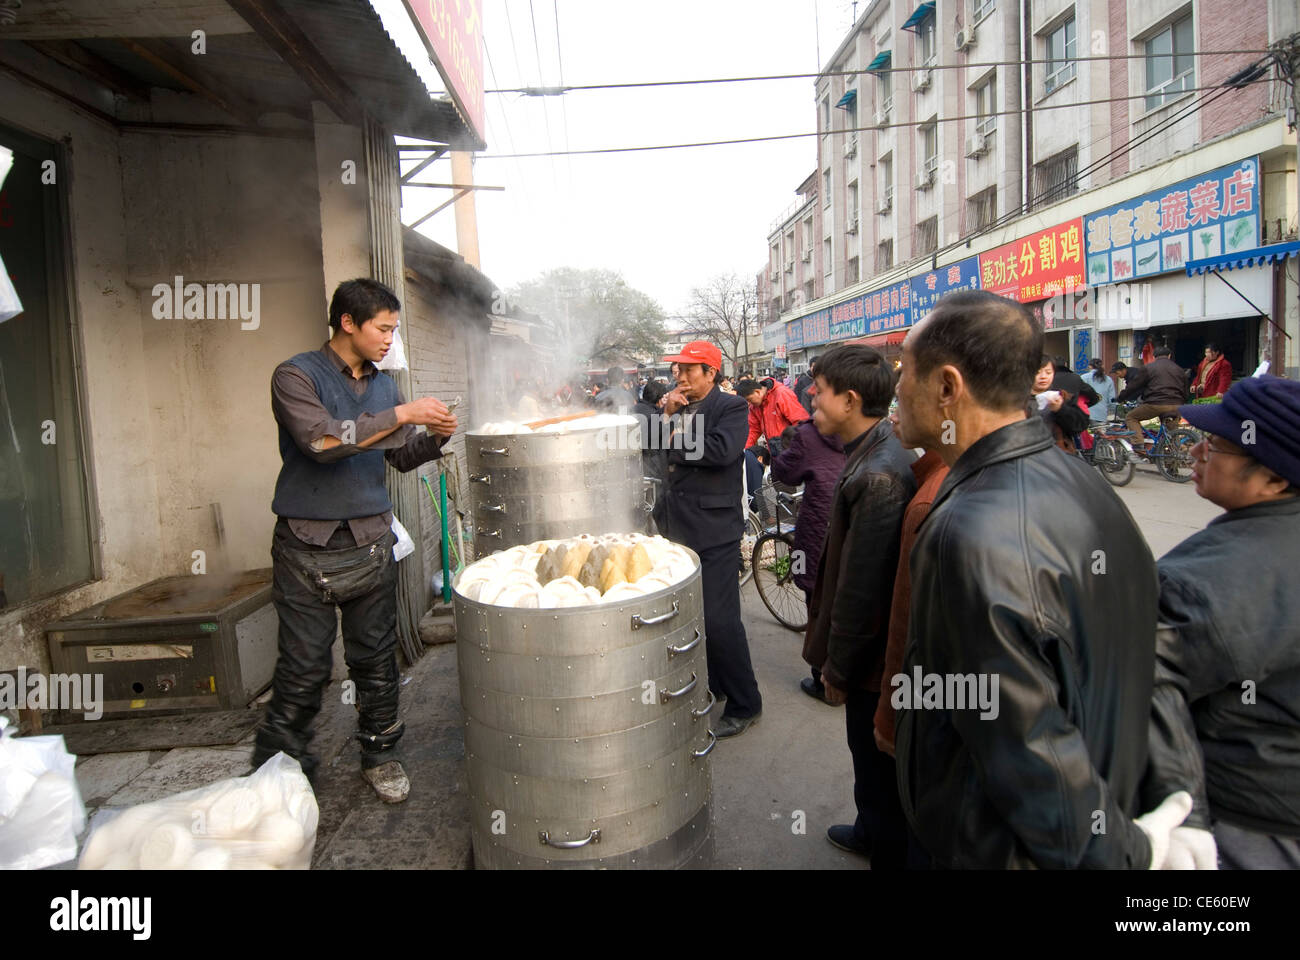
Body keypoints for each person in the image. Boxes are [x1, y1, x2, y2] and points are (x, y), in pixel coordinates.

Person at [893, 290, 1194, 868]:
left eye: (906, 372)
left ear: (947, 387)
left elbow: (1029, 751)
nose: (897, 390)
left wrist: (1128, 857)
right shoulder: (1082, 481)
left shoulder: (966, 532)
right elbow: (1155, 659)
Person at [254, 278, 458, 803]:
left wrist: (436, 440)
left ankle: (381, 753)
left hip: (371, 540)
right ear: (348, 322)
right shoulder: (296, 375)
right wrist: (405, 414)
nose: (390, 338)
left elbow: (395, 456)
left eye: (393, 329)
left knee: (375, 657)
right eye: (383, 328)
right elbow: (323, 441)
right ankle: (278, 767)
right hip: (306, 546)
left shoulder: (386, 386)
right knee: (304, 665)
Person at [1143, 375, 1300, 869]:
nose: (1195, 454)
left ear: (1274, 477)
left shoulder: (1208, 583)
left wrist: (1182, 818)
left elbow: (1134, 681)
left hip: (1248, 826)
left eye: (1214, 446)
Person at [800, 345, 916, 864]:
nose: (810, 397)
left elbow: (862, 593)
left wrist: (837, 671)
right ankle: (872, 828)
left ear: (849, 401)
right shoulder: (872, 450)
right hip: (869, 662)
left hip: (870, 669)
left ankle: (881, 839)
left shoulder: (880, 476)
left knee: (876, 769)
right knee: (869, 769)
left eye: (818, 391)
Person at [659, 341, 763, 738]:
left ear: (711, 373)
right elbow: (652, 446)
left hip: (716, 529)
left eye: (690, 370)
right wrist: (666, 417)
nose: (681, 377)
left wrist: (671, 435)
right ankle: (716, 684)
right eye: (678, 370)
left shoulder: (731, 407)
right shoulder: (675, 407)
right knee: (694, 615)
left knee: (720, 620)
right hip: (677, 525)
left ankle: (745, 702)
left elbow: (721, 450)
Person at [870, 404, 950, 871]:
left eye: (905, 390)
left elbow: (905, 628)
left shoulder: (929, 500)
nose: (895, 409)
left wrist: (889, 718)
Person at [769, 418, 845, 704]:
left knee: (815, 600)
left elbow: (785, 473)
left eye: (821, 389)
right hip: (850, 532)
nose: (813, 395)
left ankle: (822, 679)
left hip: (817, 531)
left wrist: (776, 450)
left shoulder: (810, 434)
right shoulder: (877, 432)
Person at [1116, 344, 1187, 455]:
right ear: (1169, 356)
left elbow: (1134, 386)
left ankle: (1139, 446)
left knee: (1131, 417)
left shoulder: (1148, 368)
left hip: (1156, 403)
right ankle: (1172, 464)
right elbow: (1185, 389)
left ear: (1154, 357)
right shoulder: (1179, 369)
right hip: (1177, 405)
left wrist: (1120, 398)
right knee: (1172, 431)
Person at [737, 376, 808, 457]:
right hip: (774, 450)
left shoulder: (781, 394)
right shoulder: (755, 407)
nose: (749, 404)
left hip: (791, 449)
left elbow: (800, 421)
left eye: (749, 400)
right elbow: (752, 430)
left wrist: (795, 446)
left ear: (757, 392)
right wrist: (744, 451)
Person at [1032, 355, 1090, 454]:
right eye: (1038, 372)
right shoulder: (1016, 400)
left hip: (1058, 455)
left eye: (1048, 372)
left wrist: (1060, 409)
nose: (1043, 376)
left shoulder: (1062, 396)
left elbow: (1080, 425)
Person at [1082, 358, 1117, 424]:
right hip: (1101, 414)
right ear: (1102, 366)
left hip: (1085, 414)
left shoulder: (1083, 377)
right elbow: (1112, 400)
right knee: (1100, 433)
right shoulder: (1108, 379)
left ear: (1090, 366)